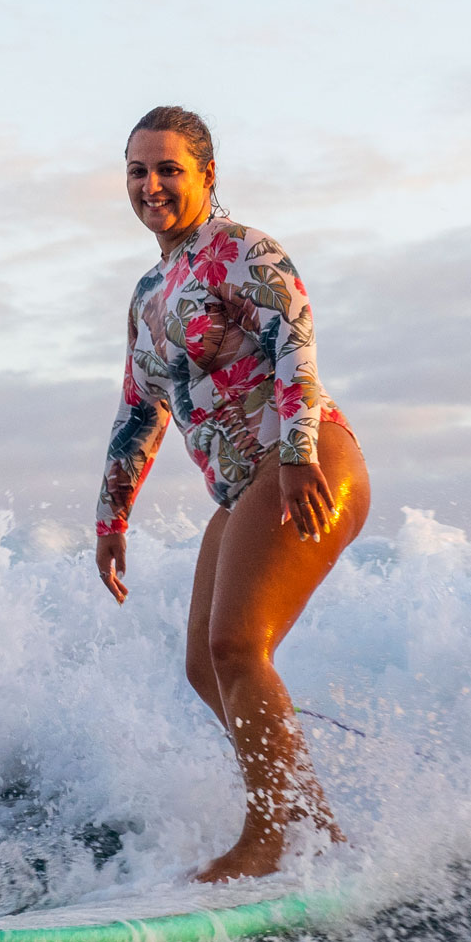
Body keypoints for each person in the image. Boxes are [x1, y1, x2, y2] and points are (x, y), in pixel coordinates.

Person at [95, 105, 372, 883]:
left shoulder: (243, 251)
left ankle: (269, 837)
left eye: (168, 168)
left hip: (310, 463)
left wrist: (295, 453)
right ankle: (316, 826)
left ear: (207, 174)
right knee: (203, 663)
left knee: (237, 645)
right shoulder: (150, 292)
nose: (151, 185)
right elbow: (138, 409)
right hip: (246, 485)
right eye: (137, 171)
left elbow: (296, 334)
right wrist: (111, 515)